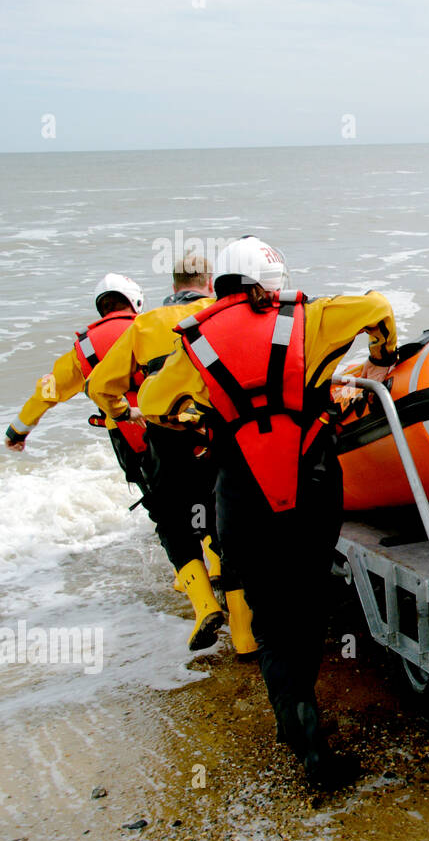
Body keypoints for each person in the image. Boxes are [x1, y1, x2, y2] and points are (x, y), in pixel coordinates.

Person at [138, 236, 398, 789]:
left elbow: (154, 407)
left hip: (242, 498)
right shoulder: (313, 317)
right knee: (307, 605)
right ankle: (307, 732)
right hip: (312, 487)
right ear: (268, 286)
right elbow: (378, 307)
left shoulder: (193, 341)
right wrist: (380, 360)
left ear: (222, 286)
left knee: (272, 620)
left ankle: (301, 732)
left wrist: (205, 425)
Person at [86, 252, 232, 654]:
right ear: (209, 282)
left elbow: (99, 386)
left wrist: (122, 412)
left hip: (166, 435)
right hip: (216, 430)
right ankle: (248, 636)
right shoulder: (220, 311)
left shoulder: (145, 323)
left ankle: (205, 609)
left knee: (171, 521)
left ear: (171, 287)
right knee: (225, 517)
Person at [5, 275, 147, 460]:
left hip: (126, 436)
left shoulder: (85, 348)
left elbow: (48, 390)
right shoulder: (151, 329)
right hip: (172, 423)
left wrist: (17, 431)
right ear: (136, 300)